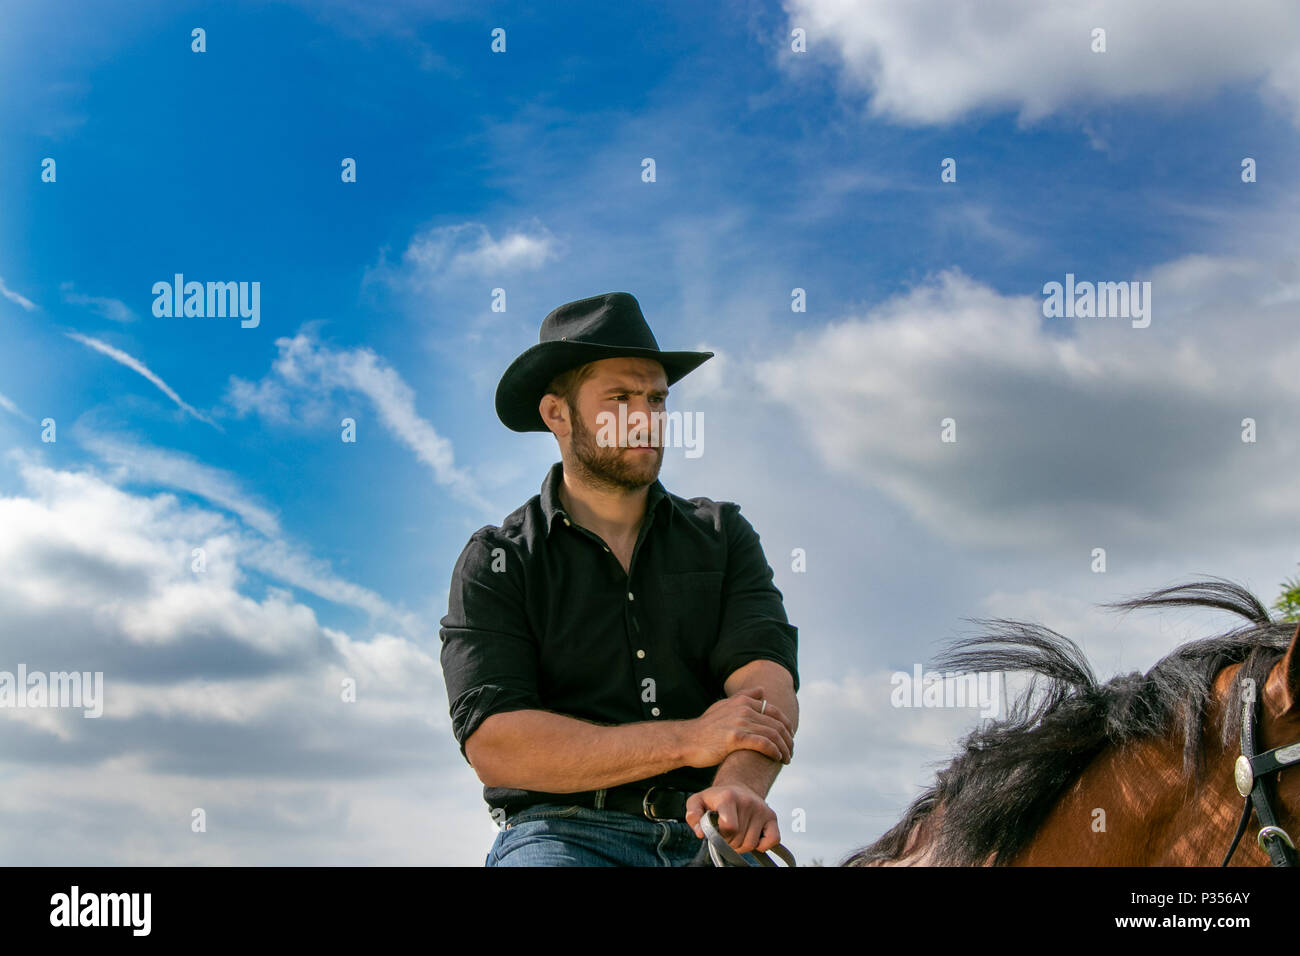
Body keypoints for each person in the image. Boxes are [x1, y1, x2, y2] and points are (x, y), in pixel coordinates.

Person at [439, 291, 800, 866]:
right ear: (557, 414)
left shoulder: (723, 534)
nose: (646, 418)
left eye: (656, 398)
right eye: (620, 398)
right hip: (560, 837)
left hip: (713, 835)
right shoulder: (497, 560)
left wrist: (740, 786)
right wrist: (689, 739)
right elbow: (499, 745)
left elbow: (765, 687)